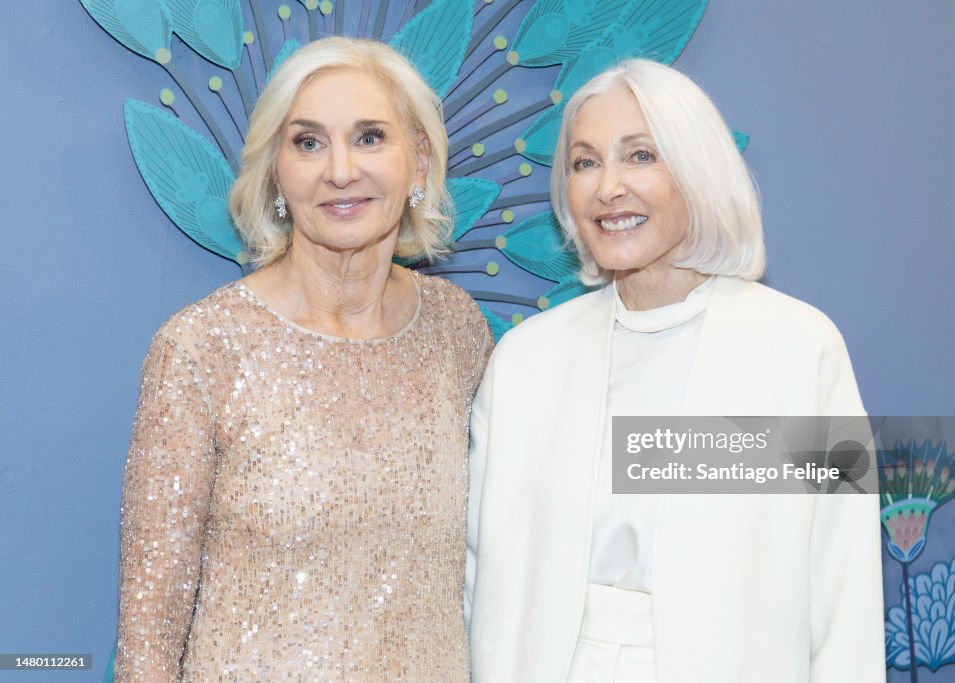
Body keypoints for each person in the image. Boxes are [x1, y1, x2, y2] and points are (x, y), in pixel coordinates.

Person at [465, 59, 884, 681]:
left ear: (698, 173)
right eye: (585, 162)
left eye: (641, 156)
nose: (609, 187)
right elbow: (479, 579)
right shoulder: (526, 361)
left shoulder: (798, 350)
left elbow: (842, 589)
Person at [115, 37, 490, 681]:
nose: (340, 170)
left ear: (419, 161)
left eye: (370, 137)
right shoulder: (204, 349)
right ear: (275, 172)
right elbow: (150, 635)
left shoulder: (456, 330)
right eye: (308, 142)